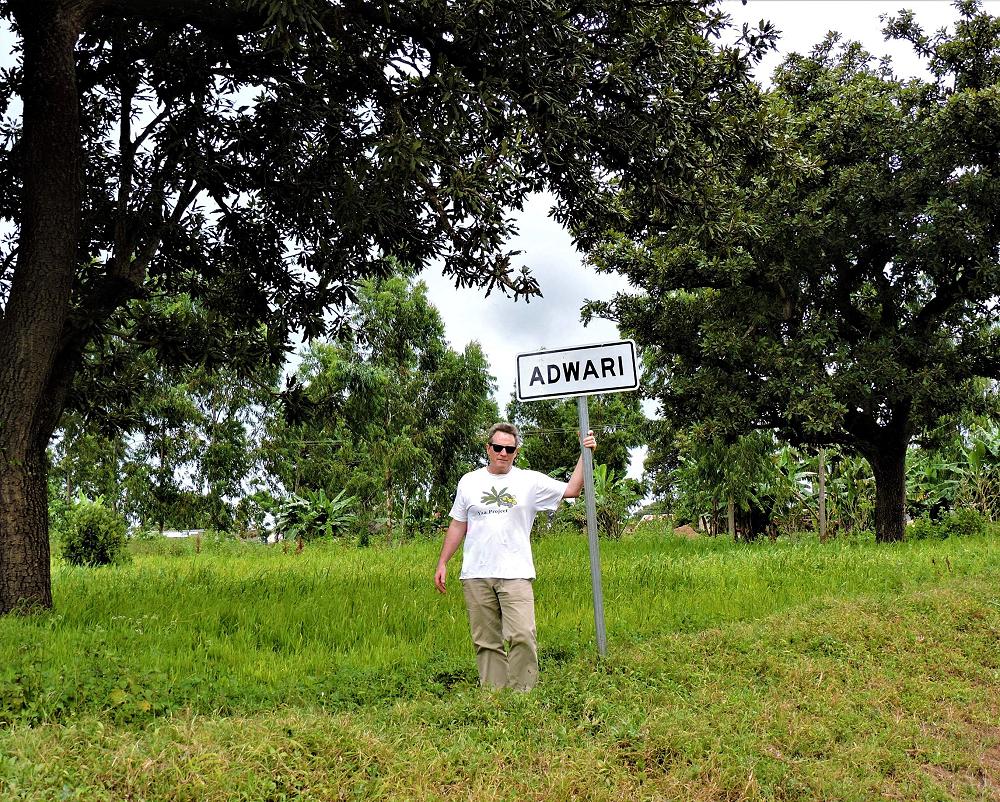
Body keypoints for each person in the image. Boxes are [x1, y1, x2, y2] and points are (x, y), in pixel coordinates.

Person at [434, 421, 597, 691]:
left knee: (522, 634)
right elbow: (458, 524)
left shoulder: (529, 481)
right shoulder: (469, 482)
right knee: (486, 640)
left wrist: (585, 453)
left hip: (516, 573)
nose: (503, 453)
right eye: (497, 447)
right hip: (476, 573)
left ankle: (523, 695)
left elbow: (572, 490)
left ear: (516, 452)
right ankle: (494, 696)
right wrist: (443, 561)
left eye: (509, 449)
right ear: (488, 448)